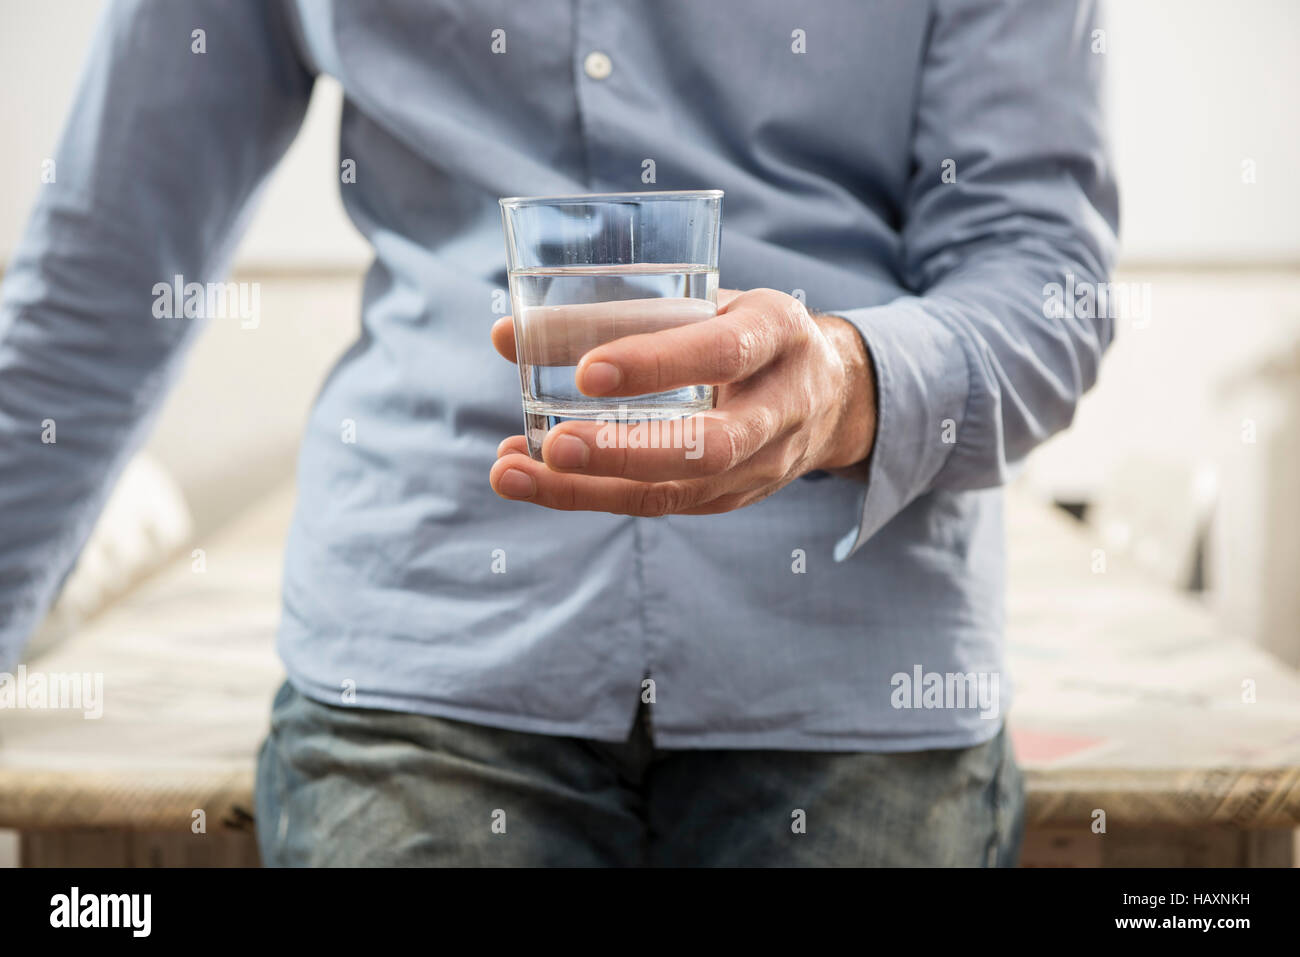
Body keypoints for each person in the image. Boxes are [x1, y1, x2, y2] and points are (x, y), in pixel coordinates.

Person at [0, 0, 1117, 866]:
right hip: (424, 655)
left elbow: (1045, 280)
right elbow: (104, 277)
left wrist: (842, 384)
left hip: (856, 661)